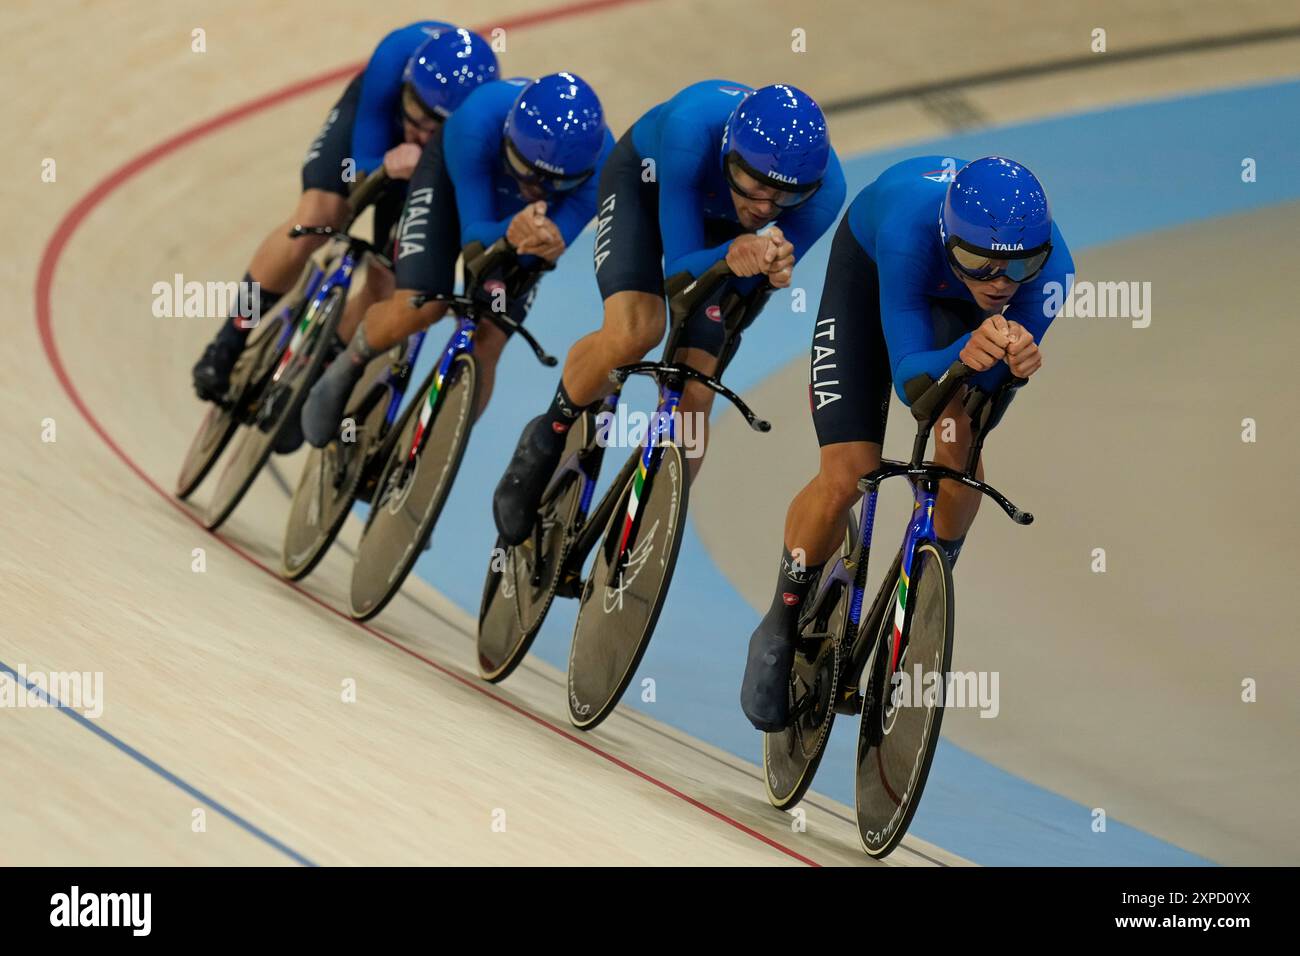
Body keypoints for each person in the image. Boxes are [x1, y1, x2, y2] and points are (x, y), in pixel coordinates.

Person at [739, 155, 1076, 731]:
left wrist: (1014, 364)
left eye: (1019, 268)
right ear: (950, 241)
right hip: (876, 279)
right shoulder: (906, 232)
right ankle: (782, 615)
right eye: (982, 264)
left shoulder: (1053, 272)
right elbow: (912, 385)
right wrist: (964, 351)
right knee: (849, 470)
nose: (1000, 284)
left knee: (960, 444)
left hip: (955, 315)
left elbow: (982, 392)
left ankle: (930, 578)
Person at [491, 80, 846, 545]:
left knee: (697, 388)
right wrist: (735, 252)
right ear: (728, 156)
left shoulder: (824, 191)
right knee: (637, 329)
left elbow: (752, 277)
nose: (765, 208)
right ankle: (548, 434)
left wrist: (770, 265)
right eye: (756, 186)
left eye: (785, 198)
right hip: (646, 188)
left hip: (723, 238)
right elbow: (680, 278)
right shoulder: (688, 130)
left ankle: (652, 525)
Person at [190, 22, 498, 423]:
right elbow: (361, 166)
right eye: (416, 116)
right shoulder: (394, 57)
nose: (419, 131)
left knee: (385, 282)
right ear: (406, 89)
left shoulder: (473, 130)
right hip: (369, 135)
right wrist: (383, 168)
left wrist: (425, 163)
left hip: (432, 169)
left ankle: (315, 375)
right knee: (318, 217)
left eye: (433, 128)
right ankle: (230, 338)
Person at [299, 72, 614, 445]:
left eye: (552, 182)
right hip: (452, 188)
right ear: (507, 138)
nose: (532, 187)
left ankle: (435, 450)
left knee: (491, 334)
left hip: (526, 221)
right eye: (525, 169)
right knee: (420, 305)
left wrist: (538, 243)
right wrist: (511, 234)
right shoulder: (477, 120)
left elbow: (542, 252)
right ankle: (346, 364)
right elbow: (476, 242)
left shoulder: (601, 168)